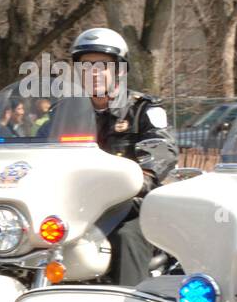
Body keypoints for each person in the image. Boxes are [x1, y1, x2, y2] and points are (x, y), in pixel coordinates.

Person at [71, 27, 177, 286]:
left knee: (127, 236)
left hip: (127, 205)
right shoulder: (66, 114)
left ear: (118, 70)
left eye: (102, 65)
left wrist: (143, 176)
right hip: (76, 204)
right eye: (86, 66)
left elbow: (162, 150)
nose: (94, 73)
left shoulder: (142, 109)